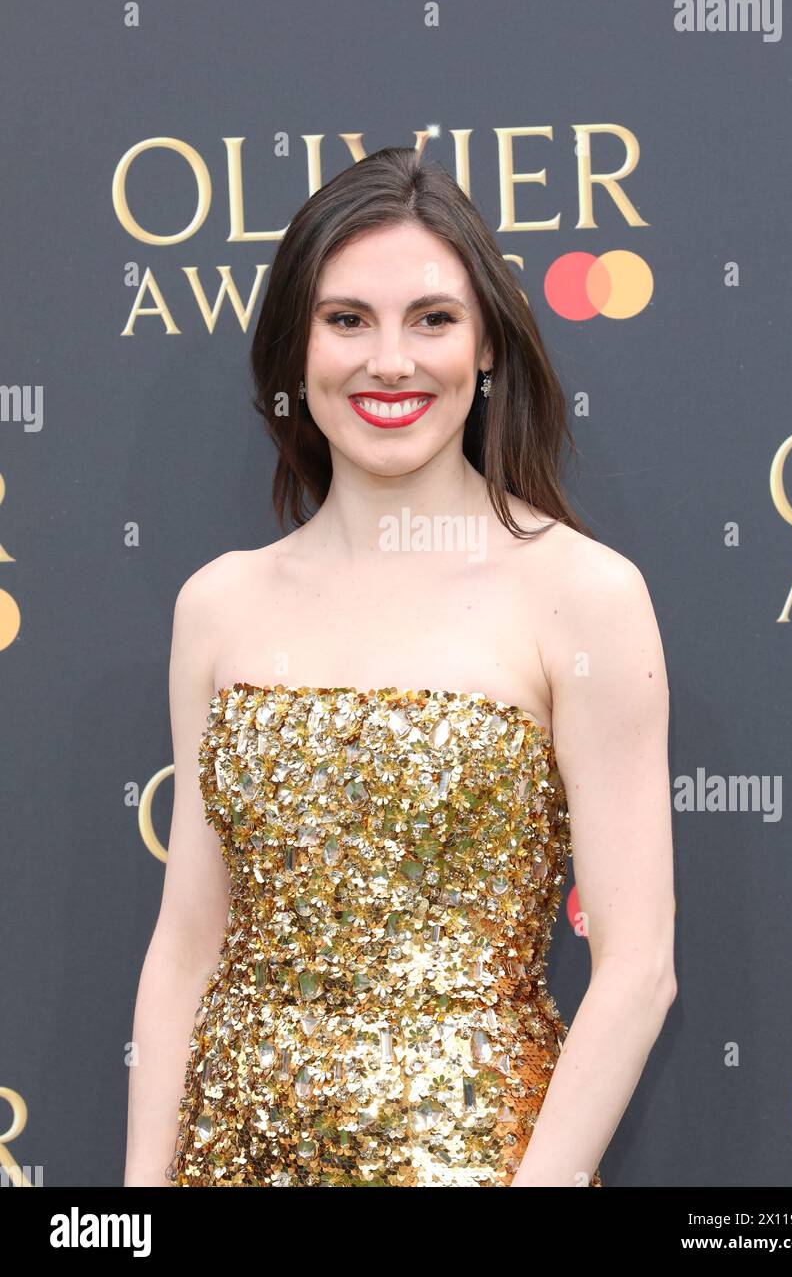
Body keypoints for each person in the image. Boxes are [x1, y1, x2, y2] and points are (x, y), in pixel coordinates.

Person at [124, 146, 676, 1187]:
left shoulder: (580, 593)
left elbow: (636, 966)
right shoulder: (218, 605)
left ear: (485, 351)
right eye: (346, 319)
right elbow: (188, 944)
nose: (389, 361)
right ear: (297, 348)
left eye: (431, 318)